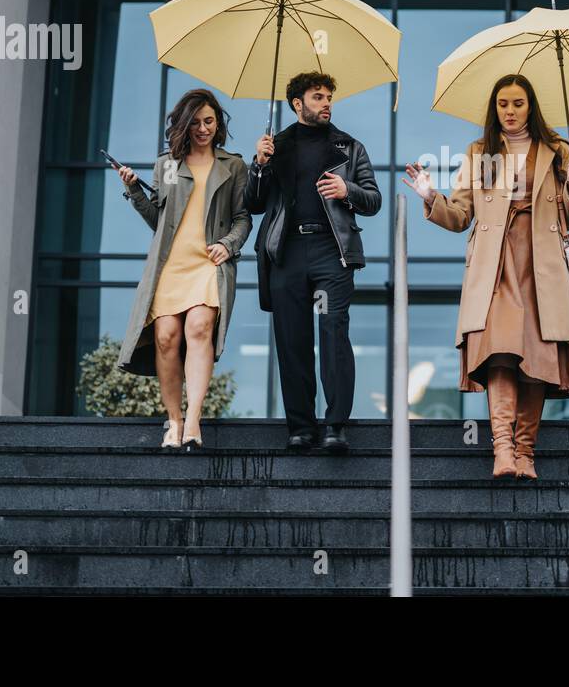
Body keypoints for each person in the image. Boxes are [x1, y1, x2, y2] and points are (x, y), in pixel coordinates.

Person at [402, 74, 569, 479]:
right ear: (495, 108)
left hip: (542, 265)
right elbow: (460, 215)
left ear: (530, 106)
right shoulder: (478, 152)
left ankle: (526, 453)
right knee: (500, 354)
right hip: (496, 265)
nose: (509, 111)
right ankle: (502, 449)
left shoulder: (557, 151)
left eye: (517, 103)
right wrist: (431, 197)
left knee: (539, 356)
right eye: (503, 103)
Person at [245, 71, 382, 453]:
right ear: (297, 104)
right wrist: (259, 165)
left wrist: (347, 189)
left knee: (333, 333)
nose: (326, 103)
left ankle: (335, 425)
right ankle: (301, 427)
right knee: (293, 340)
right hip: (286, 255)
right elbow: (253, 204)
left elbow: (373, 200)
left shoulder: (348, 147)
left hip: (330, 253)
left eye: (328, 97)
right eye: (318, 97)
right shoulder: (276, 146)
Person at [116, 89, 251, 449]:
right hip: (172, 265)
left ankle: (193, 422)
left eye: (209, 121)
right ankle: (172, 422)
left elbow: (243, 218)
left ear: (218, 124)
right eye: (196, 122)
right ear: (184, 125)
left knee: (199, 327)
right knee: (165, 339)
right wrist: (133, 190)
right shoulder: (167, 165)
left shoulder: (234, 166)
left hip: (208, 262)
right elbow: (157, 220)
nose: (203, 128)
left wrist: (229, 244)